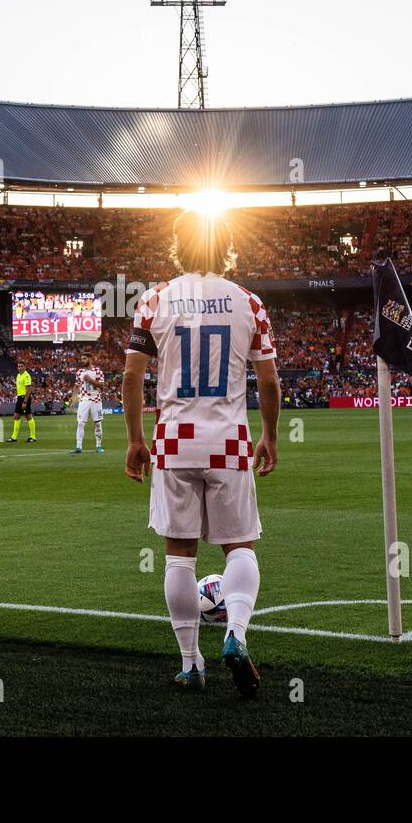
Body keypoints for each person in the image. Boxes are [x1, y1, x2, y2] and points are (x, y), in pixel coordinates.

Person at [123, 209, 280, 698]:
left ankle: (192, 664)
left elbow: (131, 377)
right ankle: (235, 633)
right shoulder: (248, 303)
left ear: (178, 245)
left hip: (173, 442)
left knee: (179, 556)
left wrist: (134, 439)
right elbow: (269, 381)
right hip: (229, 440)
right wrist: (270, 435)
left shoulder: (153, 300)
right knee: (239, 547)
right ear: (226, 245)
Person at [70, 351, 105, 454]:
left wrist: (90, 380)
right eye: (81, 359)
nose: (82, 360)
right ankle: (78, 447)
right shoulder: (79, 372)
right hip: (84, 400)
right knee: (80, 423)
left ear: (90, 359)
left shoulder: (97, 371)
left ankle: (98, 446)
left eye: (84, 359)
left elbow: (102, 386)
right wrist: (73, 400)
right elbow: (76, 387)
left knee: (98, 423)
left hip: (96, 399)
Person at [9, 365, 36, 443]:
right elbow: (20, 387)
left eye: (21, 366)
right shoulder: (18, 375)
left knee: (28, 416)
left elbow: (28, 390)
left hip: (25, 397)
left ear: (25, 367)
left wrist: (25, 401)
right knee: (16, 416)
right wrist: (15, 389)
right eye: (18, 366)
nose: (20, 368)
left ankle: (33, 437)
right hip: (19, 397)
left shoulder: (27, 376)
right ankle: (14, 437)